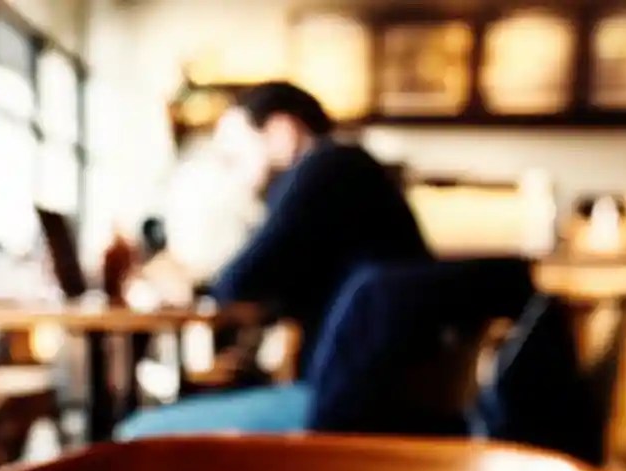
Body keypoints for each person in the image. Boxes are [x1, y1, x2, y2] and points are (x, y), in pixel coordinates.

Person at [118, 82, 432, 440]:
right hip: (368, 395)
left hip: (341, 404)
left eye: (235, 157)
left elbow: (239, 283)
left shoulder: (326, 167)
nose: (233, 175)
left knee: (135, 433)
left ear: (282, 132)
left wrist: (187, 283)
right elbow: (270, 286)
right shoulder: (350, 172)